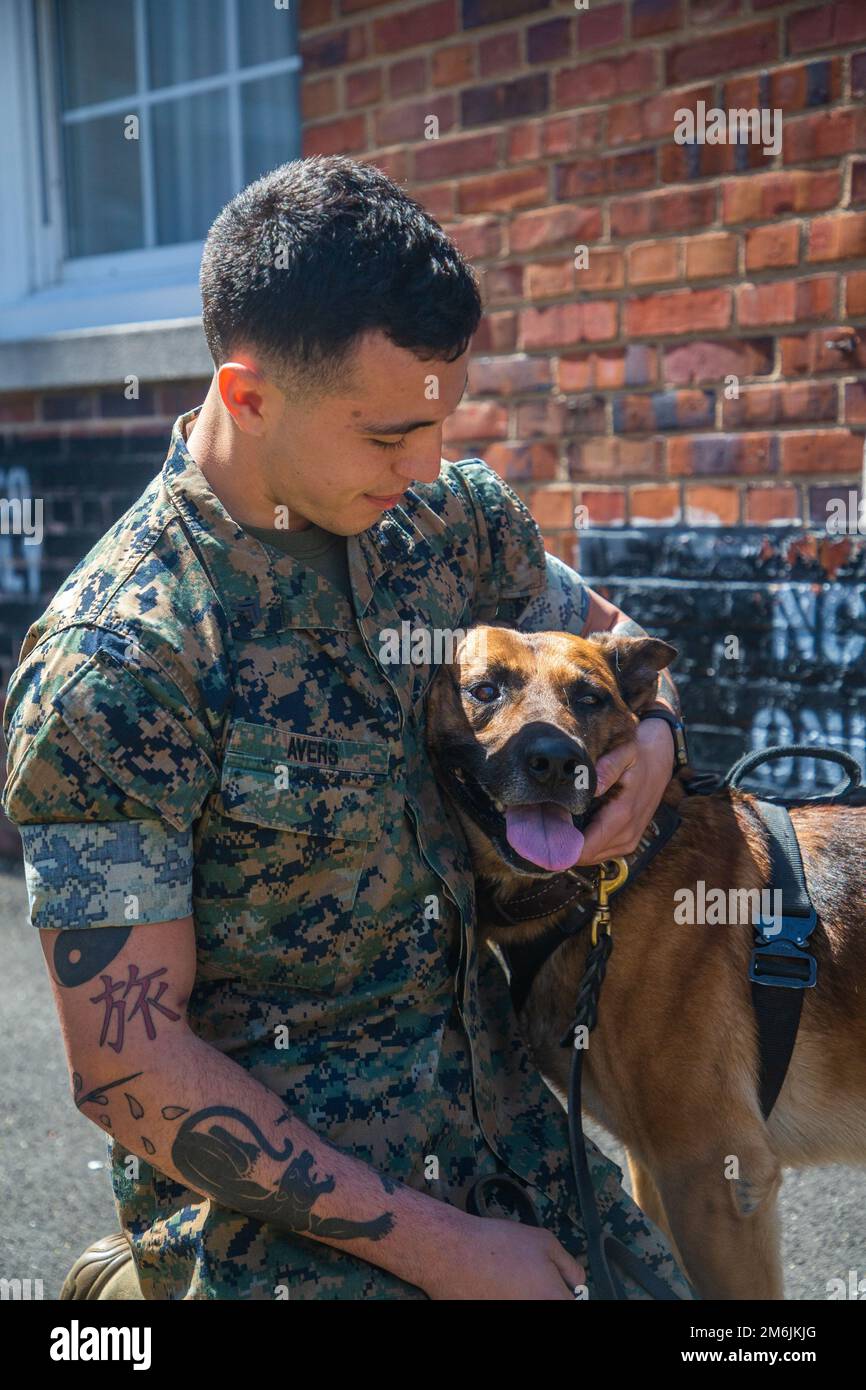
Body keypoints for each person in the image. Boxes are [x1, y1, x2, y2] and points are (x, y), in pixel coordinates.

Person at [1, 155, 692, 1301]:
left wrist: (653, 742)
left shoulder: (445, 520)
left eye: (438, 421)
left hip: (505, 1129)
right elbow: (126, 1063)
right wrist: (446, 1252)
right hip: (282, 1209)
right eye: (384, 435)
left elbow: (617, 638)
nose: (424, 463)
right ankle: (130, 1292)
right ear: (249, 392)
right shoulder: (123, 662)